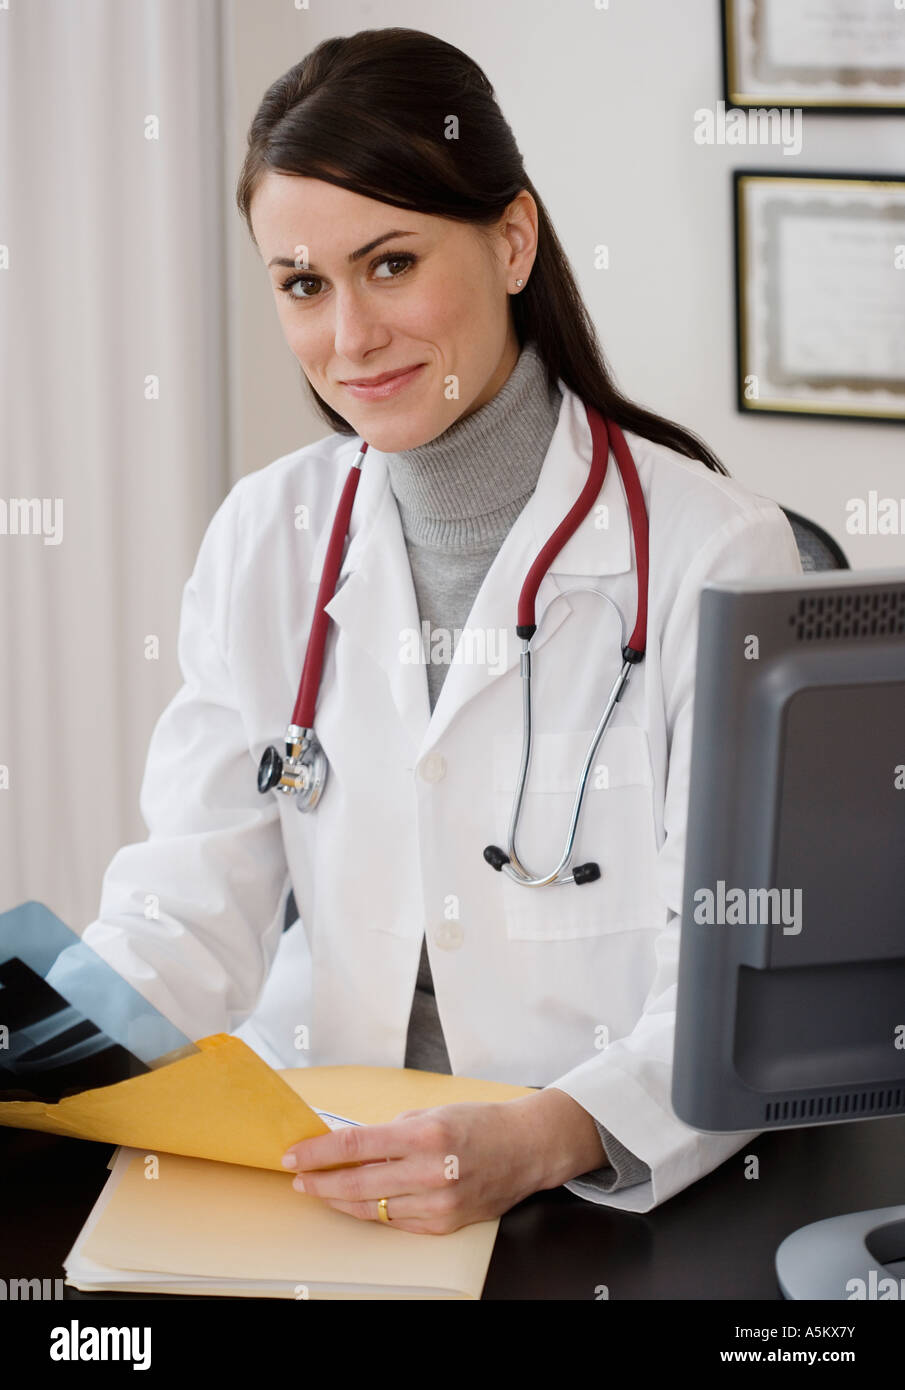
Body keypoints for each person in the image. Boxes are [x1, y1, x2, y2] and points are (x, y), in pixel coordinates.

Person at [79, 28, 803, 1234]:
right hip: (321, 1157)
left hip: (593, 1175)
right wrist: (49, 1038)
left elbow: (736, 976)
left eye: (392, 263)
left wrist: (543, 1134)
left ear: (511, 240)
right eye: (303, 283)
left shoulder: (712, 553)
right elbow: (190, 900)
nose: (347, 339)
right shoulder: (269, 533)